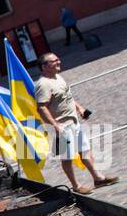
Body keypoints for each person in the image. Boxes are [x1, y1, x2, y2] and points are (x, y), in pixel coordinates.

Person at [36, 53, 118, 195]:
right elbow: (41, 107)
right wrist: (54, 124)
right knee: (66, 157)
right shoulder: (43, 84)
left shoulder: (58, 77)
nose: (58, 61)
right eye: (54, 61)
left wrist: (80, 108)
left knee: (85, 150)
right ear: (44, 66)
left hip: (74, 122)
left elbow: (67, 98)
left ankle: (98, 178)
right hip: (60, 127)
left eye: (57, 59)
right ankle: (76, 185)